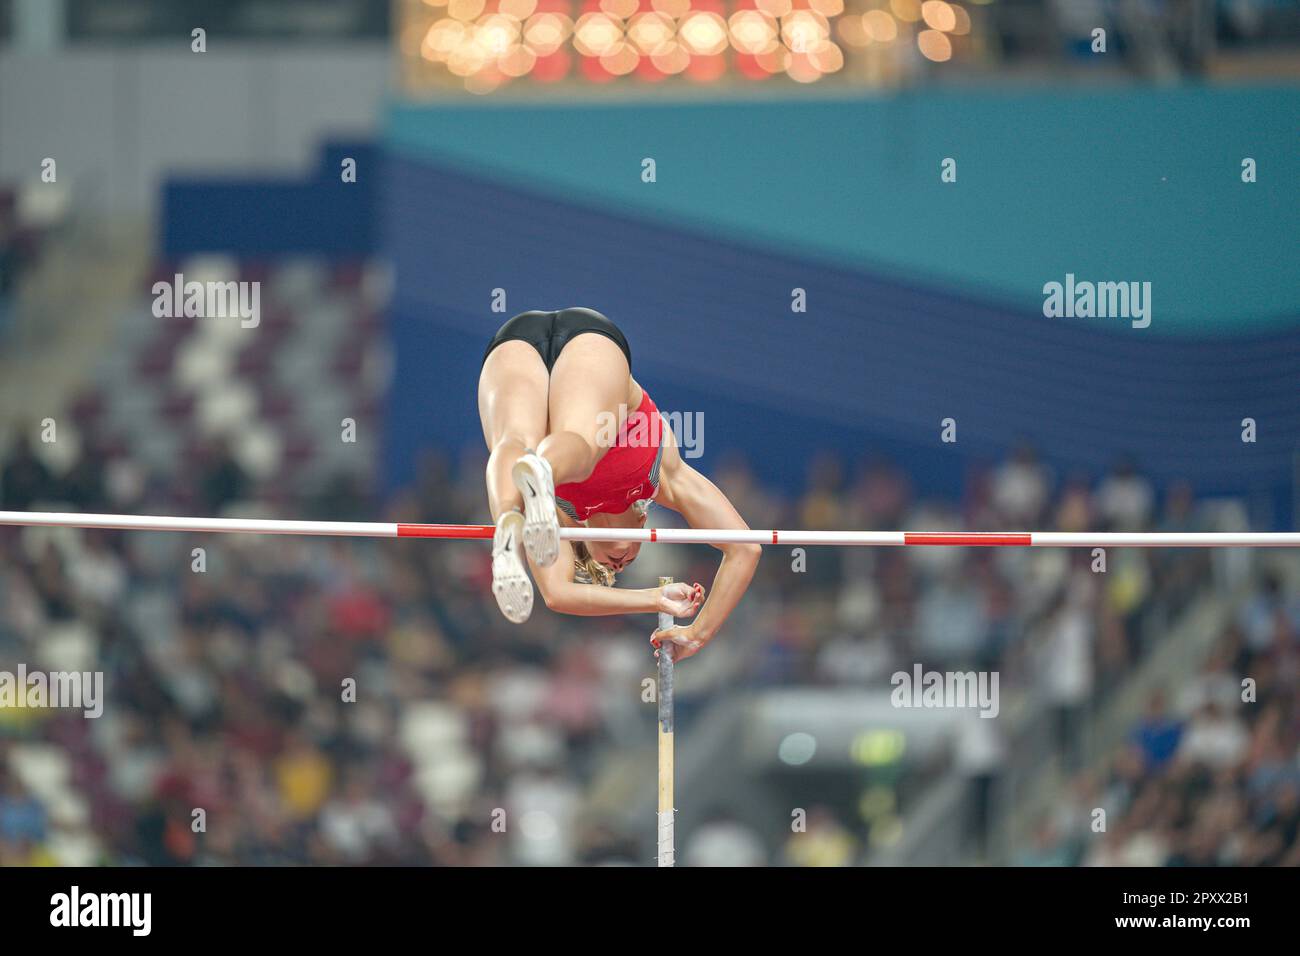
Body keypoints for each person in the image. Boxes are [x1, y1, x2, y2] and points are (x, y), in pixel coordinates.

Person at [477, 308, 760, 660]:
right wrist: (697, 634)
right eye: (624, 565)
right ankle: (534, 478)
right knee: (579, 442)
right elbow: (745, 547)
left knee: (516, 440)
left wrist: (654, 599)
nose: (619, 563)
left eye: (607, 566)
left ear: (582, 538)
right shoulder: (664, 478)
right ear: (644, 522)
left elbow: (558, 594)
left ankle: (507, 520)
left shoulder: (554, 519)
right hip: (590, 343)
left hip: (515, 342)